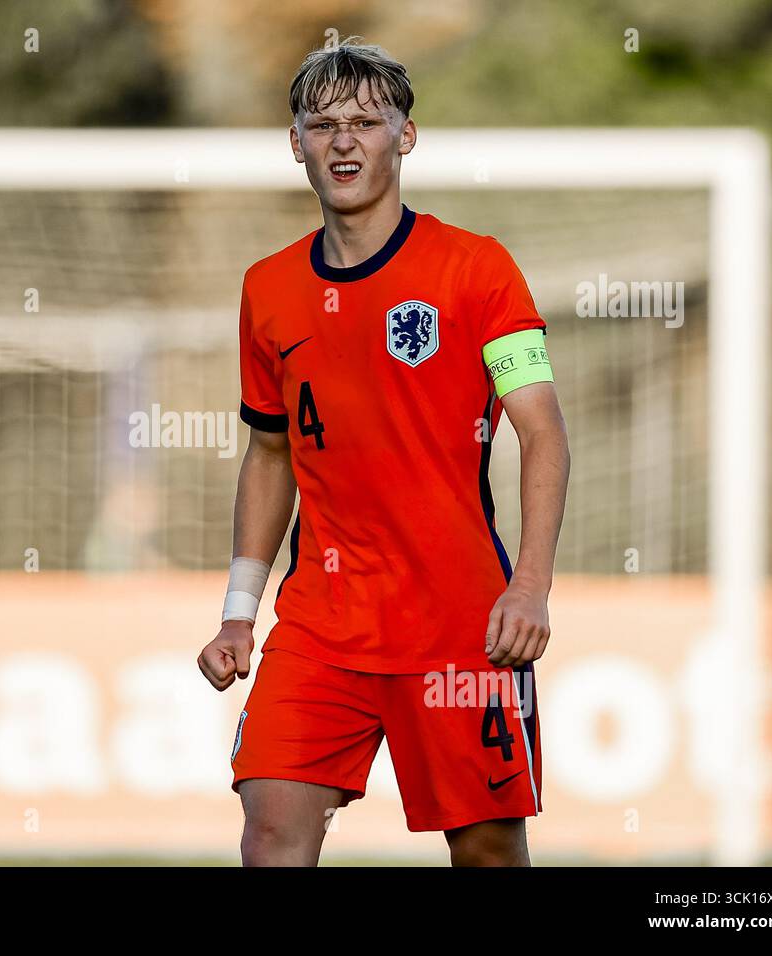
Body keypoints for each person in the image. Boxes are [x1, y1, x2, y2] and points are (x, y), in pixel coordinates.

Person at [197, 37, 570, 866]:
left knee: (488, 854)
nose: (343, 140)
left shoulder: (479, 269)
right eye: (322, 123)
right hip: (321, 628)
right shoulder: (268, 287)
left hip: (458, 627)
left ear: (406, 136)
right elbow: (269, 455)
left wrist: (531, 588)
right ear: (295, 142)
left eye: (366, 121)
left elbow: (543, 430)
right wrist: (237, 611)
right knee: (270, 834)